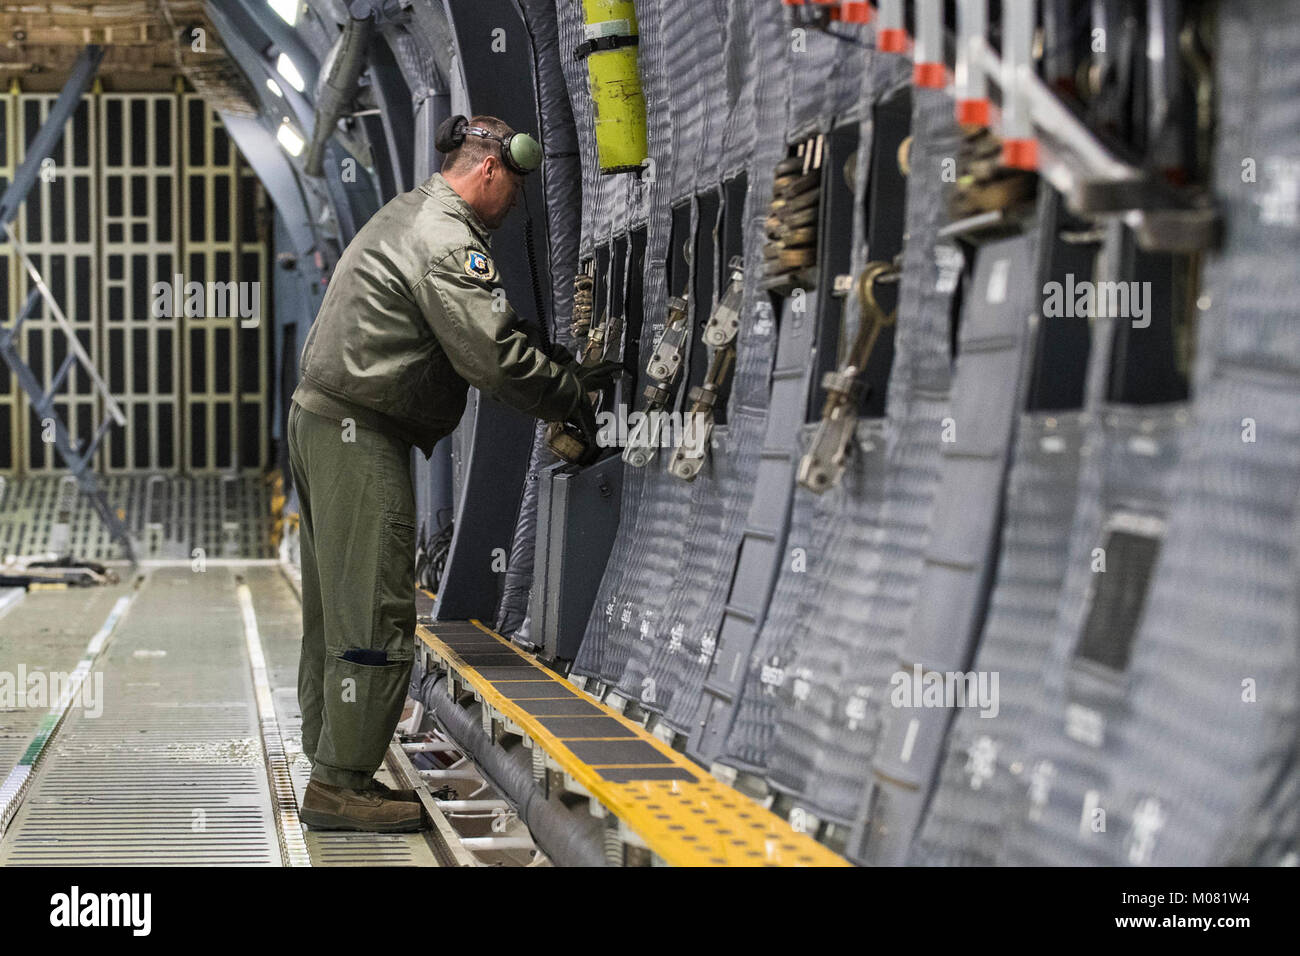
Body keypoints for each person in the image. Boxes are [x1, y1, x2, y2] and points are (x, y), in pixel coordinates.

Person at [287, 114, 613, 831]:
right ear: (490, 172)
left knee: (336, 607)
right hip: (359, 432)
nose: (519, 206)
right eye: (516, 191)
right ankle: (341, 785)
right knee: (375, 605)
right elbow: (489, 357)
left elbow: (479, 327)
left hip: (324, 417)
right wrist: (571, 392)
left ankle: (329, 761)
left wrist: (548, 357)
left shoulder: (413, 211)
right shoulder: (447, 238)